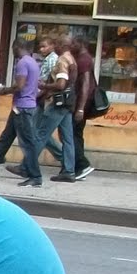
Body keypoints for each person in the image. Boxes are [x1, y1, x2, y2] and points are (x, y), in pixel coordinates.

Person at [0, 39, 43, 186]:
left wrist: (3, 90)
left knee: (27, 144)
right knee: (5, 140)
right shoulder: (33, 62)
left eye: (13, 48)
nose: (12, 52)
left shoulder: (22, 63)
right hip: (25, 106)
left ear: (16, 47)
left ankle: (35, 176)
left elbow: (20, 86)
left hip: (22, 108)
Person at [57, 36, 98, 183]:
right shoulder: (81, 58)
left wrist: (80, 108)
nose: (71, 46)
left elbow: (85, 84)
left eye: (73, 43)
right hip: (81, 104)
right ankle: (75, 167)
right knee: (76, 135)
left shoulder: (83, 60)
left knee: (70, 135)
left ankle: (82, 164)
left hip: (81, 104)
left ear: (81, 44)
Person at [37, 36, 77, 178]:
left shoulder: (62, 60)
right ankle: (69, 170)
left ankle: (27, 165)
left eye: (57, 44)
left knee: (41, 134)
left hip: (58, 102)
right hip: (68, 103)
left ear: (61, 45)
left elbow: (60, 84)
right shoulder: (71, 58)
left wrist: (44, 86)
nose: (55, 47)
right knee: (67, 138)